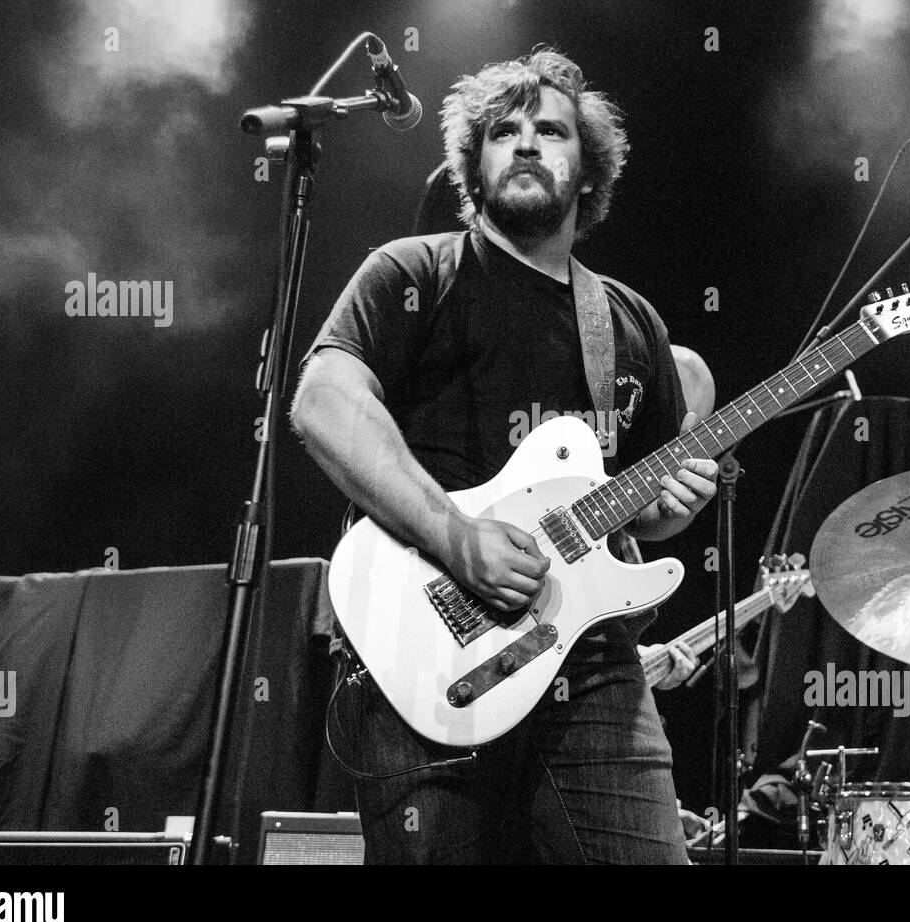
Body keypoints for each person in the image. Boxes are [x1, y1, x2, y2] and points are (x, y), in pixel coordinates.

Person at [291, 48, 718, 863]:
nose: (526, 144)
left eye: (550, 130)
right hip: (420, 644)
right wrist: (458, 538)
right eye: (503, 132)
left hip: (588, 664)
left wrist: (670, 508)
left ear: (587, 173)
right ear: (473, 168)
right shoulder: (413, 271)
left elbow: (646, 508)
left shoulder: (629, 322)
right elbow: (322, 403)